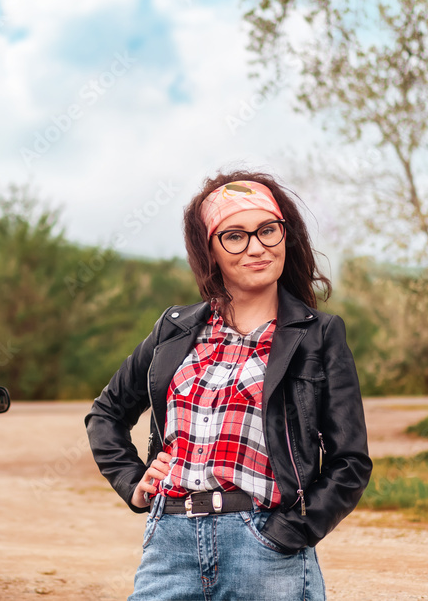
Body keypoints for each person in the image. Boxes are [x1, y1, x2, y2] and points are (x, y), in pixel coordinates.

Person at [86, 171, 372, 600]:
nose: (256, 247)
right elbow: (105, 414)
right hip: (170, 542)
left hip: (265, 547)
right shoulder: (175, 330)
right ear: (210, 252)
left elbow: (350, 461)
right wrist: (134, 482)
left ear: (284, 237)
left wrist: (290, 533)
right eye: (235, 236)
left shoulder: (319, 335)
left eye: (268, 231)